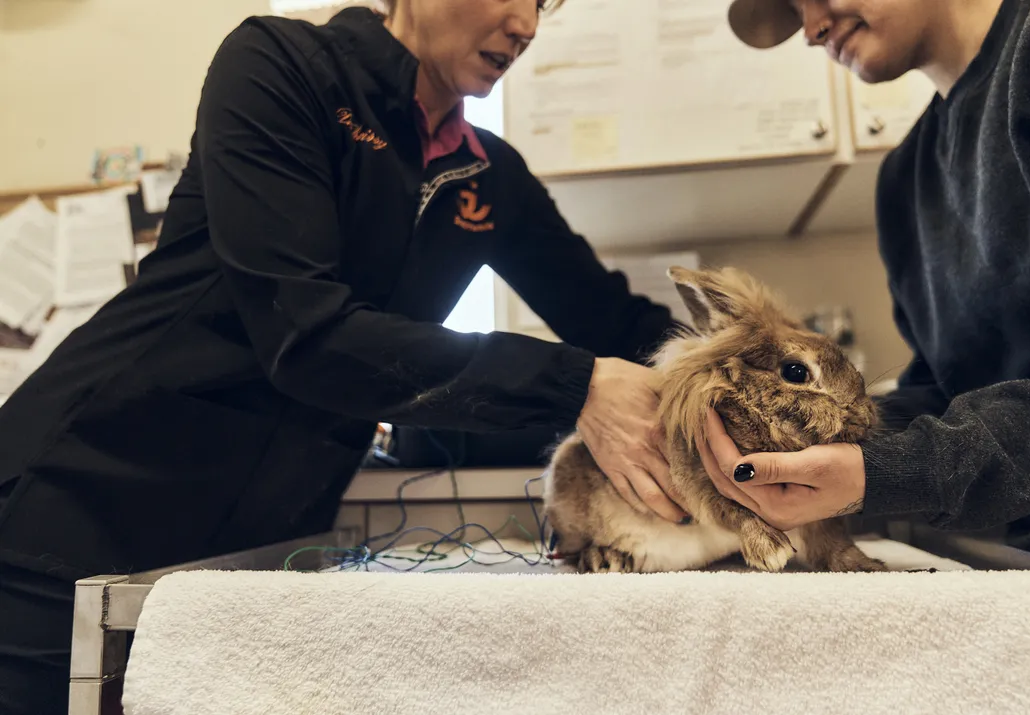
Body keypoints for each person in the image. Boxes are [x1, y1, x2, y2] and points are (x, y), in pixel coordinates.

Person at [0, 2, 691, 712]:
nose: (527, 25)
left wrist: (758, 367)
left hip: (237, 559)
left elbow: (613, 320)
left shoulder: (489, 176)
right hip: (76, 508)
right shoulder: (282, 67)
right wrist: (575, 383)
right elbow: (306, 335)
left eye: (544, 2)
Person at [701, 0, 1030, 552]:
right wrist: (783, 441)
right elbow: (938, 389)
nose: (810, 29)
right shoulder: (906, 176)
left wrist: (881, 473)